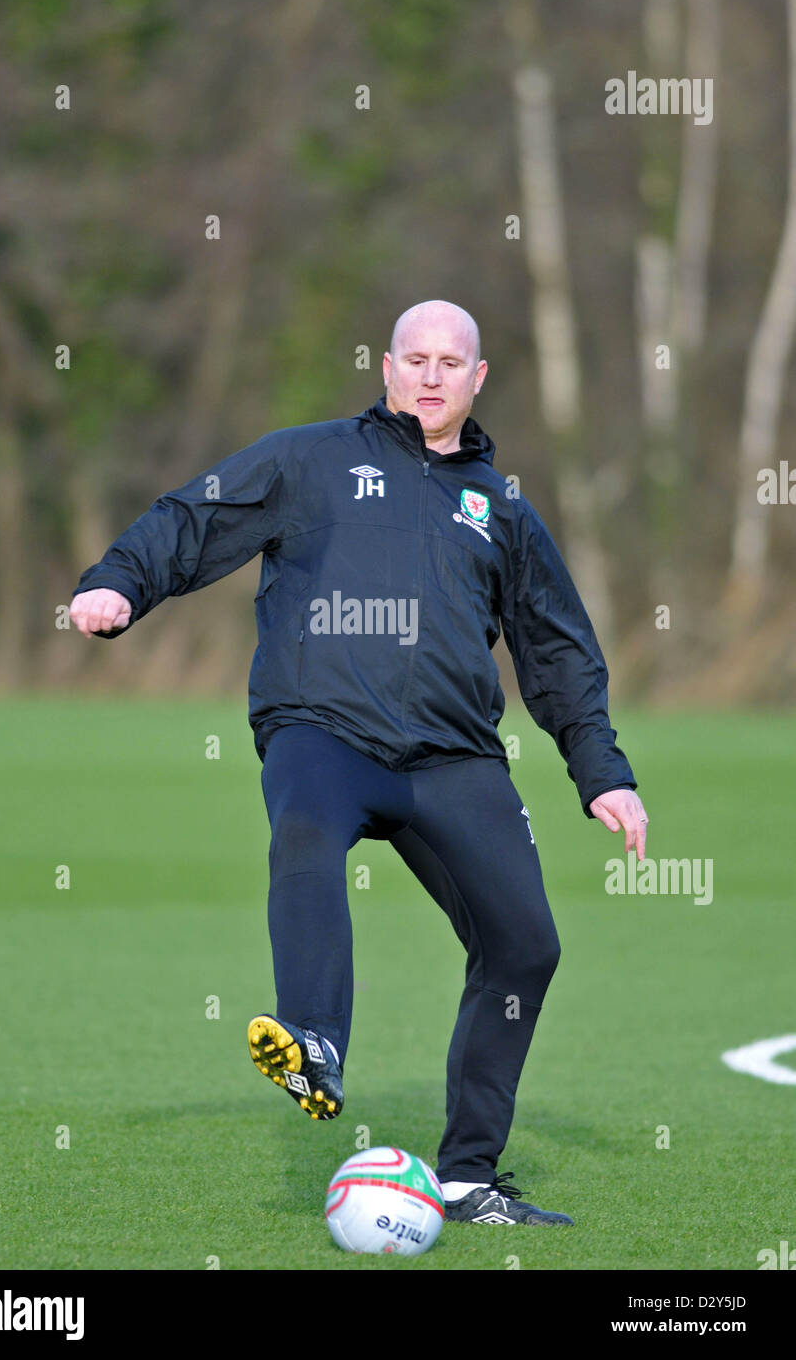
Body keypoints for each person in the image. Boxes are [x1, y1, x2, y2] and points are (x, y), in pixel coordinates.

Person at [71, 299, 648, 1226]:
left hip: (454, 756)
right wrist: (117, 583)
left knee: (525, 946)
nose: (429, 375)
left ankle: (466, 1177)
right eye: (413, 359)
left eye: (448, 362)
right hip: (322, 732)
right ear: (385, 368)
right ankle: (312, 1041)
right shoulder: (310, 459)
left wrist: (602, 771)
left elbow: (556, 651)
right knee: (304, 831)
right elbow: (192, 516)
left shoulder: (500, 507)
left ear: (477, 378)